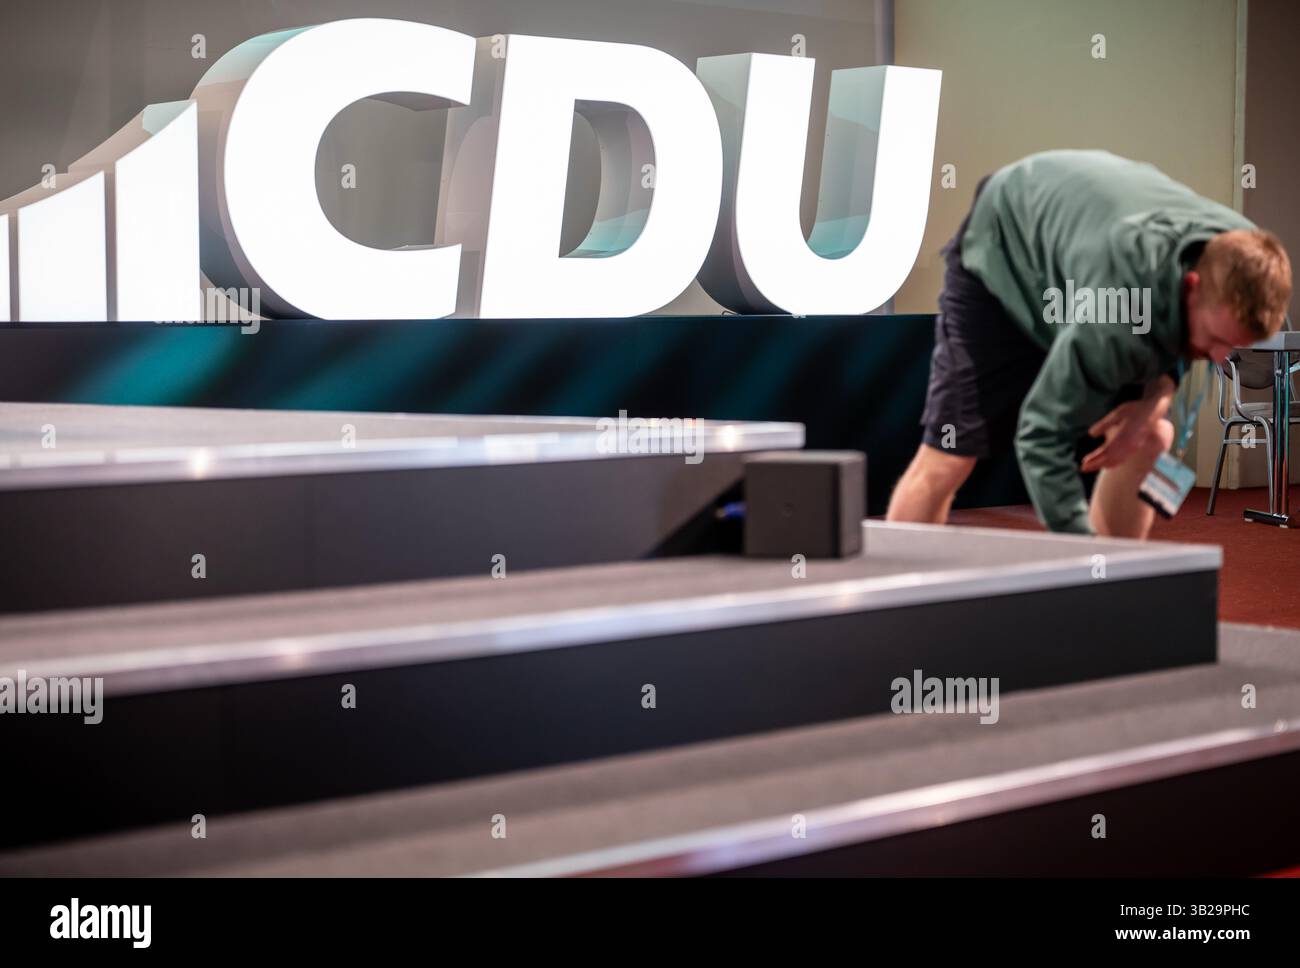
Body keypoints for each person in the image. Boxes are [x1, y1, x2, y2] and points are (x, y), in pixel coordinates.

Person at [886, 149, 1292, 538]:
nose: (1222, 359)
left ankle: (1113, 587)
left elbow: (1183, 343)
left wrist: (1153, 403)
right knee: (949, 457)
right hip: (1004, 250)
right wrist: (1084, 554)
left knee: (1150, 437)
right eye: (1219, 341)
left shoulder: (1240, 258)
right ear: (1191, 287)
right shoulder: (1118, 298)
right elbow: (1040, 437)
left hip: (1093, 258)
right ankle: (893, 603)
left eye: (1234, 346)